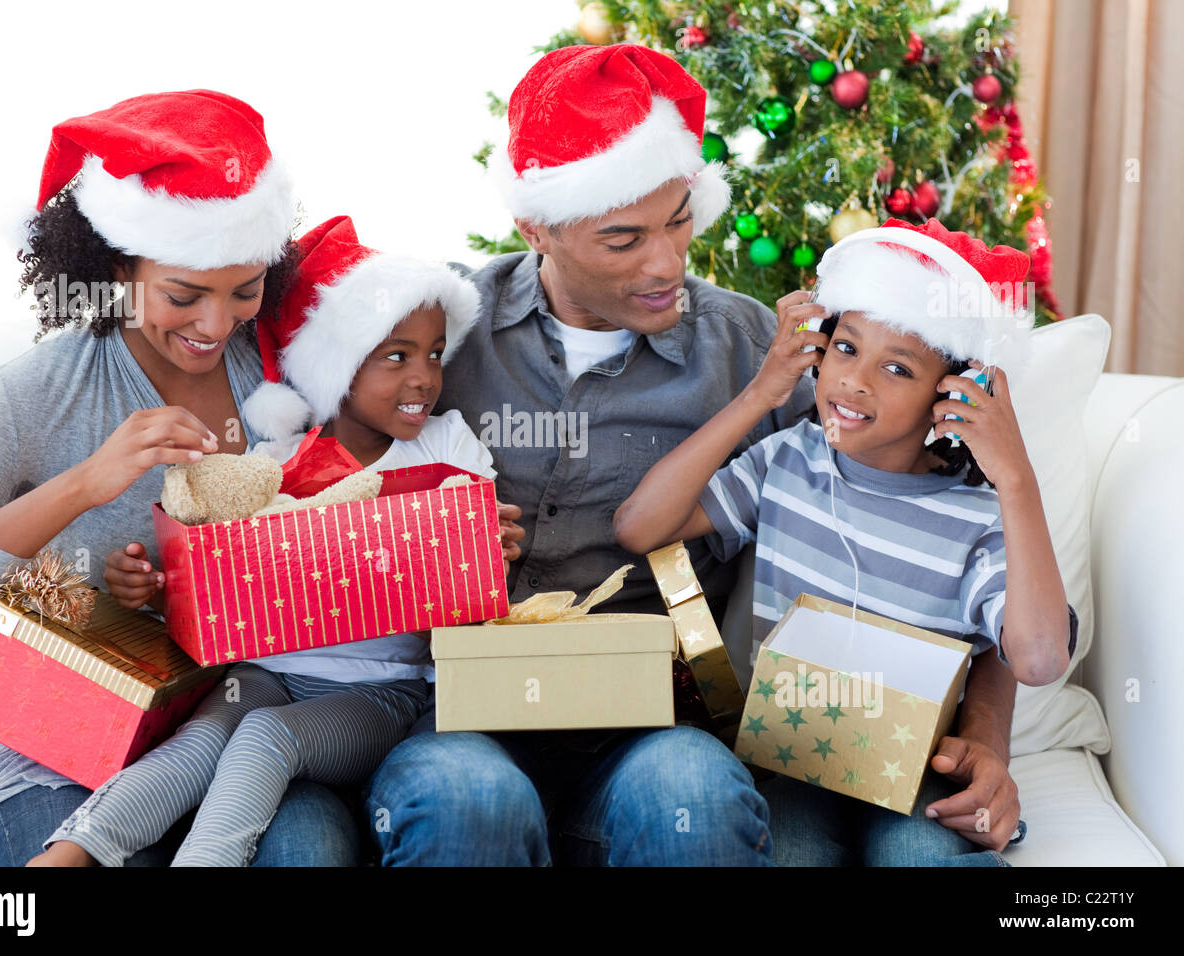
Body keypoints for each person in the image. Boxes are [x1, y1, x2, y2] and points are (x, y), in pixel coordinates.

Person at [365, 42, 1028, 865]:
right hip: (463, 718)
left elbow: (957, 533)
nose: (667, 262)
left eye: (680, 218)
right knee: (468, 800)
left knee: (696, 797)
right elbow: (305, 481)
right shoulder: (439, 333)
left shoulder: (758, 349)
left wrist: (987, 737)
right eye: (623, 239)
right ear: (535, 227)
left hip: (655, 731)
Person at [0, 90, 355, 866]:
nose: (215, 325)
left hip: (233, 743)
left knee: (312, 851)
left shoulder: (283, 373)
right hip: (54, 739)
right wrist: (85, 483)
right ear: (116, 264)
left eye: (244, 290)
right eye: (183, 295)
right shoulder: (38, 391)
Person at [36, 215, 518, 866]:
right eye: (396, 356)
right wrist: (160, 587)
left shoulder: (449, 442)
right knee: (201, 739)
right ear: (339, 368)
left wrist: (488, 546)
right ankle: (69, 854)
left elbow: (474, 574)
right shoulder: (279, 458)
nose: (424, 378)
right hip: (265, 674)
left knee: (266, 735)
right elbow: (225, 579)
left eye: (434, 354)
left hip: (379, 690)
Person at [615, 217, 1079, 865]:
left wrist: (1014, 476)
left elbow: (1036, 659)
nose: (856, 382)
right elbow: (639, 526)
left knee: (923, 856)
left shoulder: (977, 518)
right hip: (794, 765)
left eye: (896, 368)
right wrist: (760, 394)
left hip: (917, 774)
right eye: (846, 349)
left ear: (952, 396)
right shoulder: (789, 461)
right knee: (793, 850)